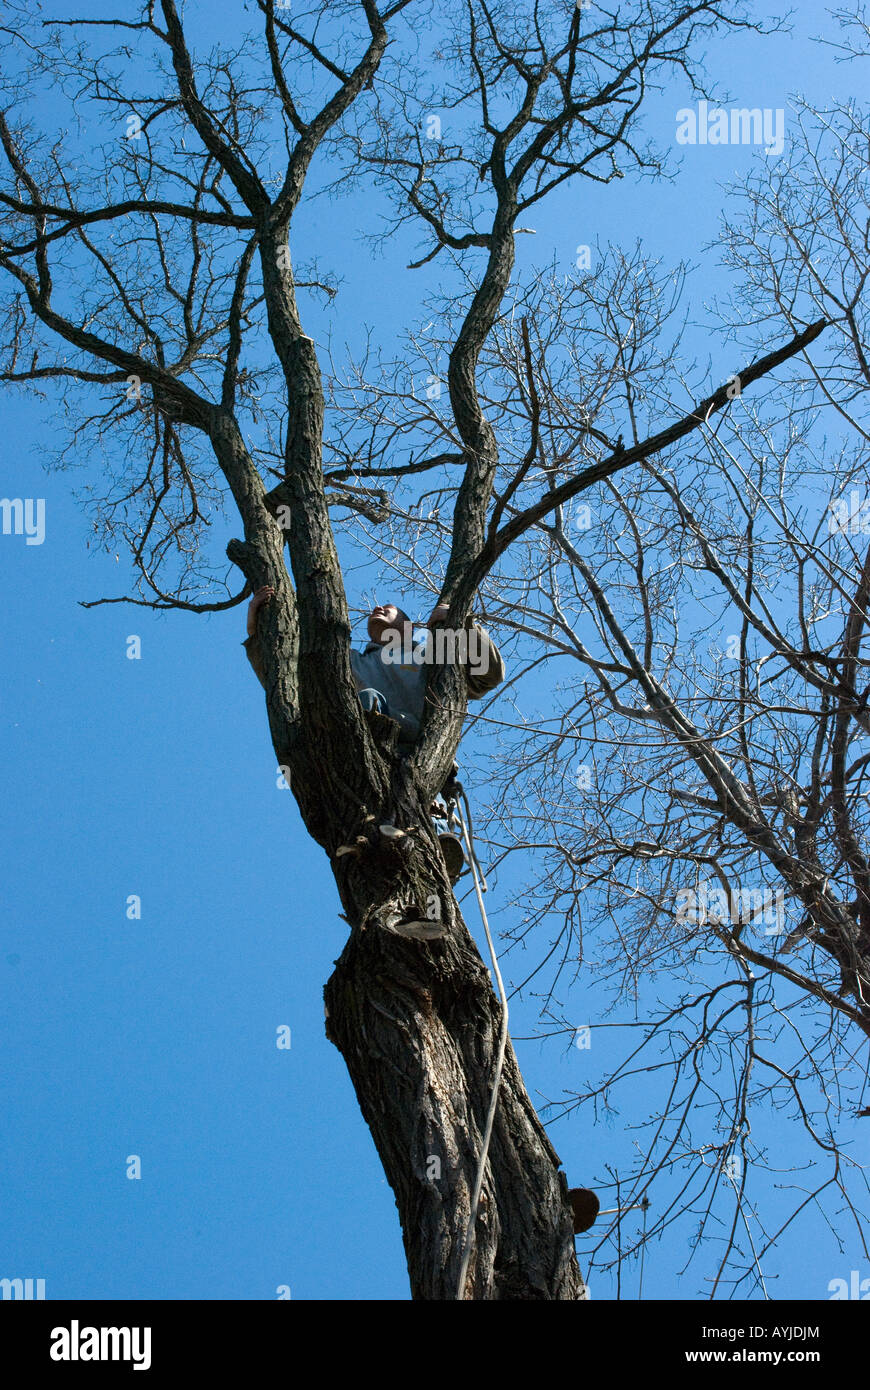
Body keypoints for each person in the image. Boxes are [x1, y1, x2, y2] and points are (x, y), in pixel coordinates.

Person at [242, 590, 505, 909]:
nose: (379, 608)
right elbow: (290, 678)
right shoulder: (348, 664)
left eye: (391, 608)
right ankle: (379, 845)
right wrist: (261, 634)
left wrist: (461, 625)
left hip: (422, 757)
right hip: (364, 756)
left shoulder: (434, 654)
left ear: (409, 624)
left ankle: (434, 843)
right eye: (378, 608)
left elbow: (488, 674)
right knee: (366, 701)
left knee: (418, 797)